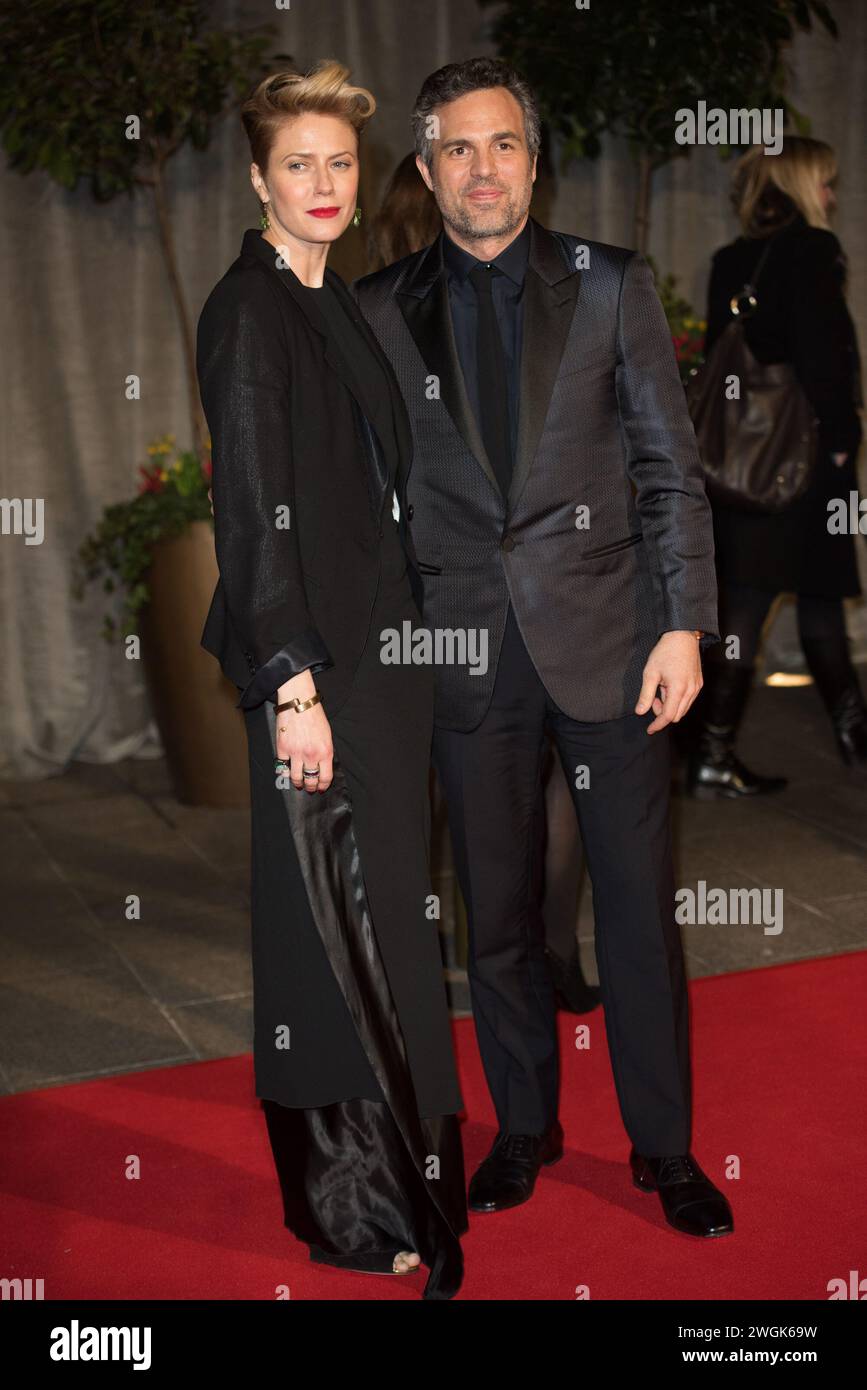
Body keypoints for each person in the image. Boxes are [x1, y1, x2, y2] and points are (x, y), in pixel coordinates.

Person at [355, 57, 733, 1237]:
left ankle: (664, 1148)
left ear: (533, 158)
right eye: (458, 148)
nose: (483, 168)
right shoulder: (375, 308)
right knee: (501, 911)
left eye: (503, 144)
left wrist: (684, 622)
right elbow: (372, 502)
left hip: (614, 642)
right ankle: (523, 1126)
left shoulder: (611, 285)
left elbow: (672, 469)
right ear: (426, 167)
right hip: (465, 654)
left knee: (634, 906)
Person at [195, 60, 467, 1300]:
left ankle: (416, 1160)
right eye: (296, 163)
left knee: (396, 921)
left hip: (385, 661)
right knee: (326, 934)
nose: (321, 183)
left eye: (340, 163)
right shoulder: (249, 311)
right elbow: (250, 511)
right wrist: (292, 686)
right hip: (316, 670)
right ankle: (354, 1201)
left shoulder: (339, 301)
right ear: (257, 177)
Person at [368, 152, 600, 1018]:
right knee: (545, 780)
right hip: (481, 583)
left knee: (450, 783)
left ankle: (459, 945)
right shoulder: (415, 295)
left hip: (434, 586)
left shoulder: (383, 289)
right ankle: (550, 947)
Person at [687, 136, 865, 797]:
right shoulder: (813, 253)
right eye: (824, 181)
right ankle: (720, 752)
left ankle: (712, 754)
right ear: (797, 183)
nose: (830, 195)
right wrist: (843, 440)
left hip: (741, 462)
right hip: (802, 458)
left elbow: (717, 363)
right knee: (794, 599)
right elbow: (825, 359)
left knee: (766, 599)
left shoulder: (731, 260)